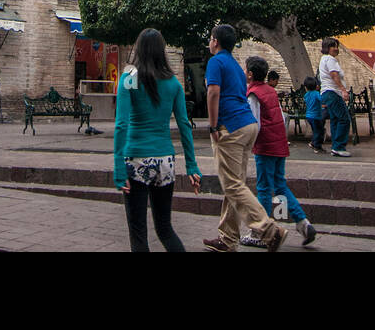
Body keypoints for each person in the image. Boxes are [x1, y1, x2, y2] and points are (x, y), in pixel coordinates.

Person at [112, 28, 201, 252]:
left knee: (138, 231)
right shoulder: (172, 83)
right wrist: (192, 166)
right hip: (165, 161)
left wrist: (118, 167)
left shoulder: (129, 77)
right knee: (165, 228)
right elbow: (184, 126)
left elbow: (121, 124)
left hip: (136, 160)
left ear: (139, 49)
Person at [203, 24, 287, 252]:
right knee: (236, 184)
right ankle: (228, 239)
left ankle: (269, 230)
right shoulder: (236, 66)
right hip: (248, 125)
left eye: (211, 38)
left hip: (230, 127)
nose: (209, 42)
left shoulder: (215, 62)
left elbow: (213, 92)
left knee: (231, 185)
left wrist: (212, 127)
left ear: (216, 42)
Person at [241, 57, 315, 247]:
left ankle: (261, 231)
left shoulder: (253, 94)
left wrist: (248, 144)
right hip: (279, 144)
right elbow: (281, 117)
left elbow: (254, 123)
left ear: (250, 74)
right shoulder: (270, 91)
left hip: (265, 146)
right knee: (280, 185)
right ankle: (303, 223)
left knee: (264, 188)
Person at [318, 37, 353, 157]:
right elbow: (334, 74)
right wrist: (343, 90)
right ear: (327, 48)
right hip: (333, 92)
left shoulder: (324, 59)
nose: (336, 49)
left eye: (337, 46)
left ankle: (335, 146)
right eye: (333, 46)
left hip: (327, 93)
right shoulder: (330, 60)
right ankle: (339, 146)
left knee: (335, 119)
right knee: (344, 119)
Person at [303, 76, 326, 152]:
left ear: (306, 87)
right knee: (319, 131)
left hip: (309, 116)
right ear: (316, 86)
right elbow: (322, 100)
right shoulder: (316, 94)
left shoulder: (306, 95)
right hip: (316, 116)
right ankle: (316, 145)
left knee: (315, 130)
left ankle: (314, 142)